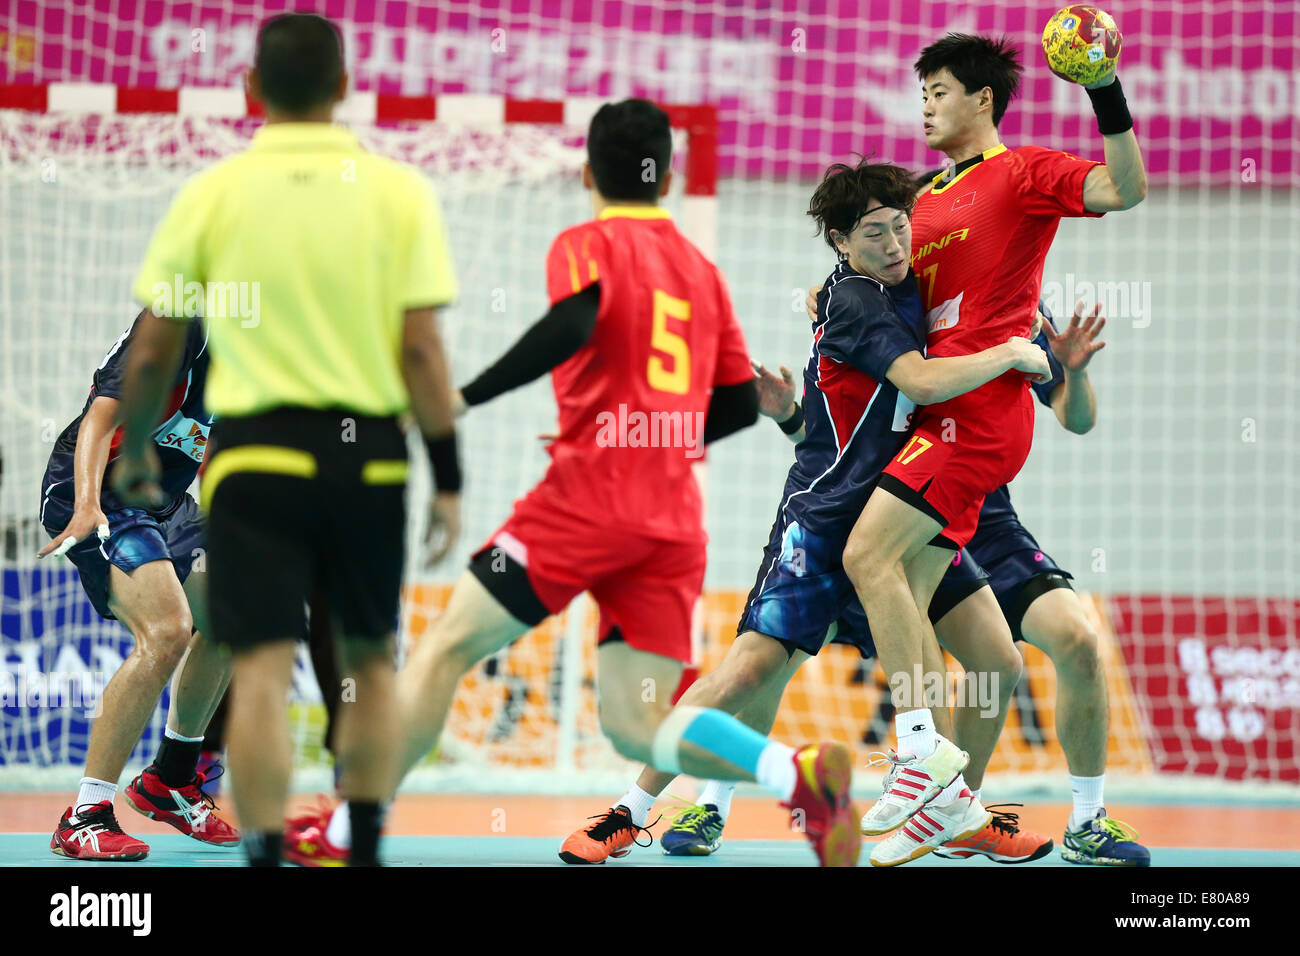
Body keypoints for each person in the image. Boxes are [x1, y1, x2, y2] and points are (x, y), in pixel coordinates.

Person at [291, 99, 867, 868]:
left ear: (588, 171)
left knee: (444, 649)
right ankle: (789, 772)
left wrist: (457, 400)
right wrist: (643, 429)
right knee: (641, 726)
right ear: (668, 175)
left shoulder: (587, 242)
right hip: (668, 526)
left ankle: (344, 836)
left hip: (580, 505)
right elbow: (733, 404)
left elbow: (576, 319)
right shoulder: (702, 270)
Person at [558, 158, 1053, 866]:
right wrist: (1011, 353)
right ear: (841, 243)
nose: (893, 242)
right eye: (874, 232)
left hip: (905, 513)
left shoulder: (920, 287)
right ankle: (630, 813)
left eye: (900, 226)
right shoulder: (853, 299)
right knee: (750, 671)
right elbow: (914, 380)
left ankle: (954, 809)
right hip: (827, 519)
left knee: (993, 657)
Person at [113, 12, 461, 867]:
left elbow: (154, 348)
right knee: (370, 664)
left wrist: (133, 457)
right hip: (369, 458)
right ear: (345, 88)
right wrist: (448, 477)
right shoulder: (397, 191)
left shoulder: (213, 192)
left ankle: (265, 852)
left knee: (261, 667)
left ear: (251, 90)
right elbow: (421, 351)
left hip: (254, 460)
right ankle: (365, 844)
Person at [848, 33, 1147, 867]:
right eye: (922, 90)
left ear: (982, 98)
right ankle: (947, 803)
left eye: (939, 88)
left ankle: (924, 767)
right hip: (928, 422)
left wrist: (1105, 88)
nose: (925, 102)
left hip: (976, 419)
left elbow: (1124, 188)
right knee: (962, 632)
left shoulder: (1022, 175)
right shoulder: (915, 203)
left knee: (868, 555)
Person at [40, 310, 238, 860]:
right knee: (168, 630)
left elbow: (210, 436)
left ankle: (170, 779)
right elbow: (100, 420)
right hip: (101, 491)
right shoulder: (178, 322)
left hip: (166, 502)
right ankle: (85, 816)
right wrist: (85, 507)